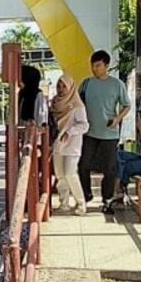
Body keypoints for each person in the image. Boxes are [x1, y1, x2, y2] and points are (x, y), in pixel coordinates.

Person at [77, 50, 131, 215]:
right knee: (83, 165)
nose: (94, 68)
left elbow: (126, 105)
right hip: (89, 132)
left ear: (106, 66)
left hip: (110, 133)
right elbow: (78, 104)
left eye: (98, 65)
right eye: (93, 65)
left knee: (109, 169)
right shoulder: (86, 84)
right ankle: (86, 194)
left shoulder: (117, 84)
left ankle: (107, 200)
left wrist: (117, 119)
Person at [50, 74, 90, 215]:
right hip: (57, 144)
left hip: (72, 145)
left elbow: (85, 125)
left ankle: (80, 203)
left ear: (71, 88)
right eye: (59, 86)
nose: (61, 89)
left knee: (70, 173)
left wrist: (70, 131)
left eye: (64, 86)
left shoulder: (77, 105)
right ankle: (64, 203)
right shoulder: (54, 103)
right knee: (60, 175)